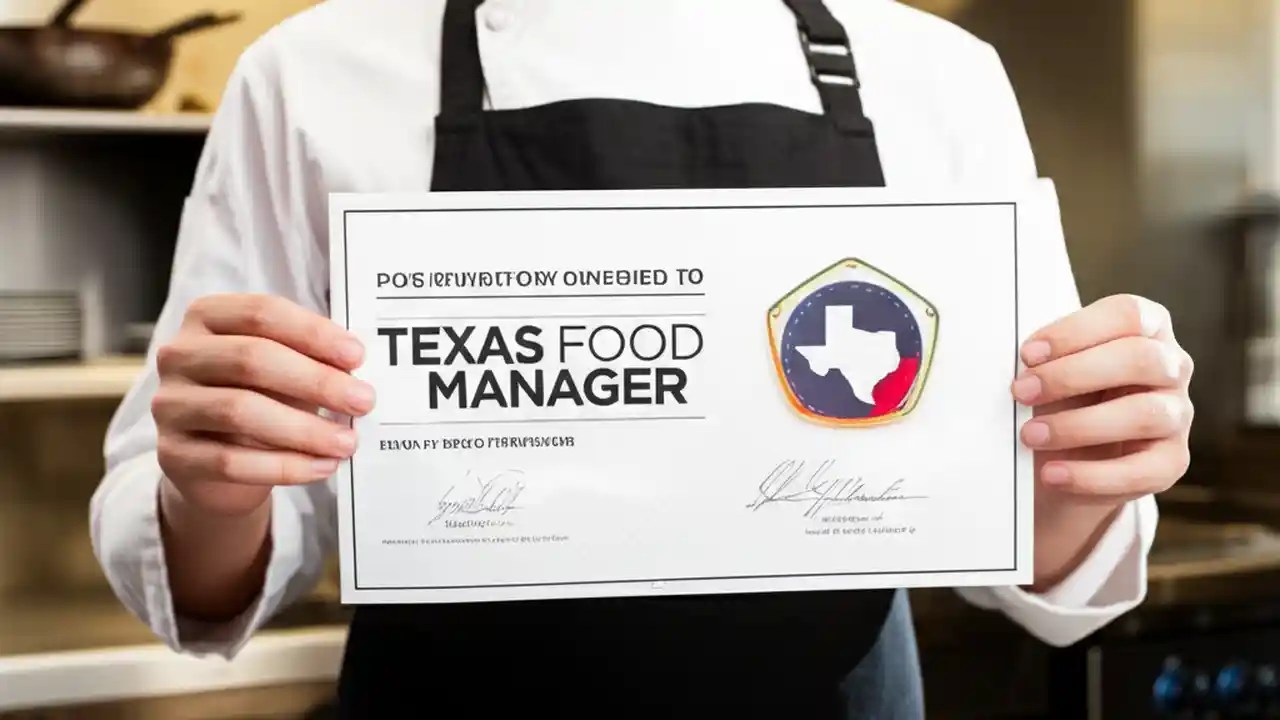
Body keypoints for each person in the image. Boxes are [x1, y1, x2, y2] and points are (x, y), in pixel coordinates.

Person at [90, 0, 1193, 717]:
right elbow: (201, 560)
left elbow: (1029, 550)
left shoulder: (937, 76)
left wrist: (1085, 461)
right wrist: (214, 482)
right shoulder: (314, 74)